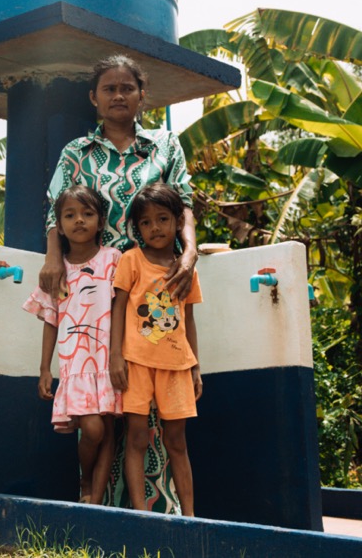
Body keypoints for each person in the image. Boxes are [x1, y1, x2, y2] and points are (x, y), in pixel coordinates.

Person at [36, 54, 200, 512]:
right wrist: (54, 259)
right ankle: (98, 510)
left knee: (153, 410)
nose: (118, 95)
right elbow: (55, 209)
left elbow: (184, 203)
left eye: (127, 87)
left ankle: (162, 513)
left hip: (153, 288)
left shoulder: (165, 145)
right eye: (108, 88)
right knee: (104, 405)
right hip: (94, 289)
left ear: (142, 95)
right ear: (94, 98)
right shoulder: (76, 152)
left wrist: (189, 252)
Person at [22, 184, 123, 504]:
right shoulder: (56, 271)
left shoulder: (113, 260)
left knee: (108, 431)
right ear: (59, 226)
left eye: (87, 214)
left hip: (108, 361)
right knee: (92, 430)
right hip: (75, 365)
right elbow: (51, 321)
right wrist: (43, 369)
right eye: (70, 215)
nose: (79, 221)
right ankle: (85, 480)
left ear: (100, 221)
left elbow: (122, 308)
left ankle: (95, 497)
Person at [109, 182, 203, 516]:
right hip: (135, 363)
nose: (155, 228)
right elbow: (118, 308)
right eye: (146, 223)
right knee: (136, 437)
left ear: (178, 222)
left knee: (177, 441)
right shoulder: (131, 260)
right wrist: (115, 356)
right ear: (137, 229)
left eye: (162, 219)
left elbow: (188, 319)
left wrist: (195, 367)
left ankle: (190, 516)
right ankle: (140, 514)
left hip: (177, 366)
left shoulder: (185, 268)